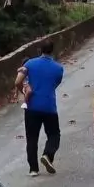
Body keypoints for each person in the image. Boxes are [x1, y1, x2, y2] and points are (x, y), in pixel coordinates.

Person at [15, 40, 64, 175]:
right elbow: (55, 84)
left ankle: (33, 169)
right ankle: (47, 155)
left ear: (39, 50)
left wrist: (23, 91)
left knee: (32, 138)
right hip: (49, 106)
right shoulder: (58, 68)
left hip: (31, 106)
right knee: (54, 135)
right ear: (52, 50)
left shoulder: (29, 64)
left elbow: (18, 81)